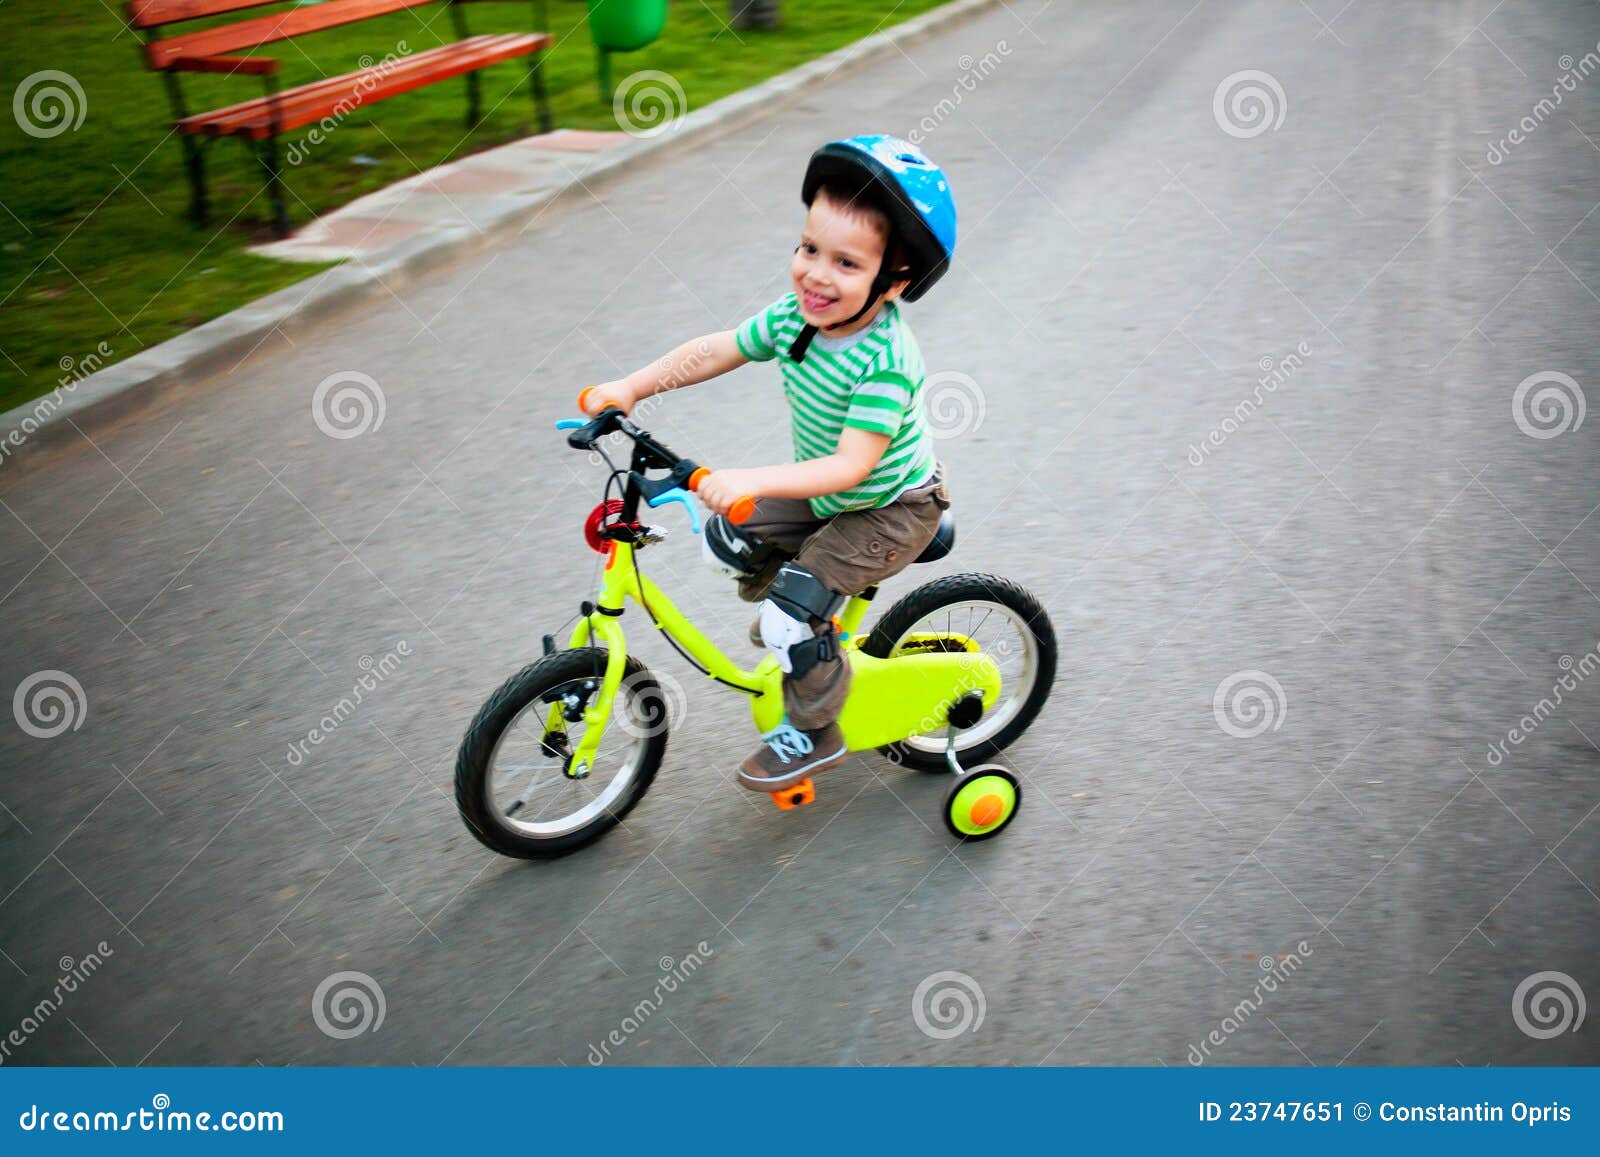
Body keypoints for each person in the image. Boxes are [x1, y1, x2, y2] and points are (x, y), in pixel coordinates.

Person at [580, 134, 957, 792]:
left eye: (845, 263)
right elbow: (718, 349)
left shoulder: (888, 359)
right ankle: (804, 626)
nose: (815, 274)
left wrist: (746, 478)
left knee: (789, 613)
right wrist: (632, 387)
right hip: (832, 495)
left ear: (894, 282)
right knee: (727, 536)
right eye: (809, 249)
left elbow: (847, 467)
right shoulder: (798, 319)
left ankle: (814, 730)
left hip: (893, 508)